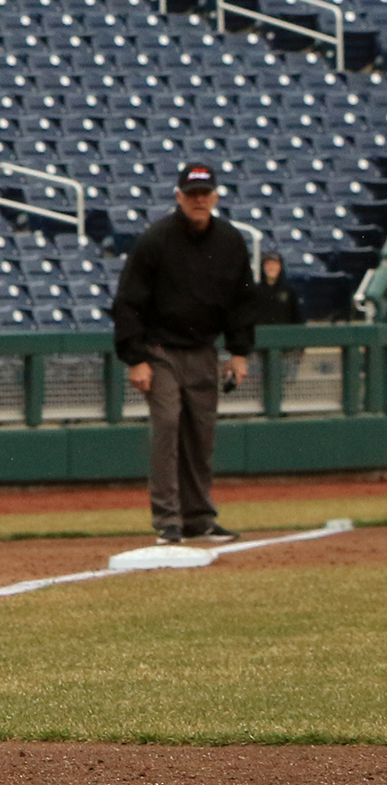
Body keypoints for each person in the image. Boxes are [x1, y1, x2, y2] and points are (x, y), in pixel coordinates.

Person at [113, 163, 254, 547]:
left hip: (203, 351)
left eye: (205, 194)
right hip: (160, 350)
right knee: (168, 424)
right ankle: (167, 520)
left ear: (216, 197)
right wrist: (135, 358)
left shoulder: (230, 241)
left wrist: (239, 353)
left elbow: (242, 302)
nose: (199, 200)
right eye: (191, 195)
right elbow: (127, 302)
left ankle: (199, 519)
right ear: (178, 197)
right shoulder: (156, 240)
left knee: (201, 436)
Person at [249, 252, 303, 326]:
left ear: (280, 267)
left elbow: (297, 319)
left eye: (275, 264)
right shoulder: (254, 292)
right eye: (268, 264)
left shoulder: (289, 292)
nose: (271, 268)